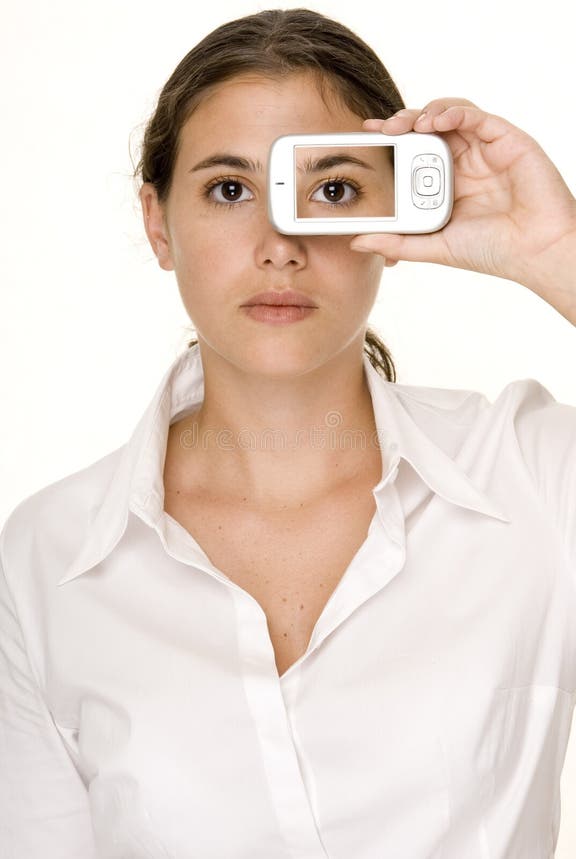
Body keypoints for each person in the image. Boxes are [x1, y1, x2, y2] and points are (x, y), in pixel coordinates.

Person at [1, 7, 575, 858]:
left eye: (333, 190)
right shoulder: (48, 558)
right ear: (159, 222)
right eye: (229, 190)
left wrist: (557, 249)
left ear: (398, 212)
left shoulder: (530, 475)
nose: (280, 244)